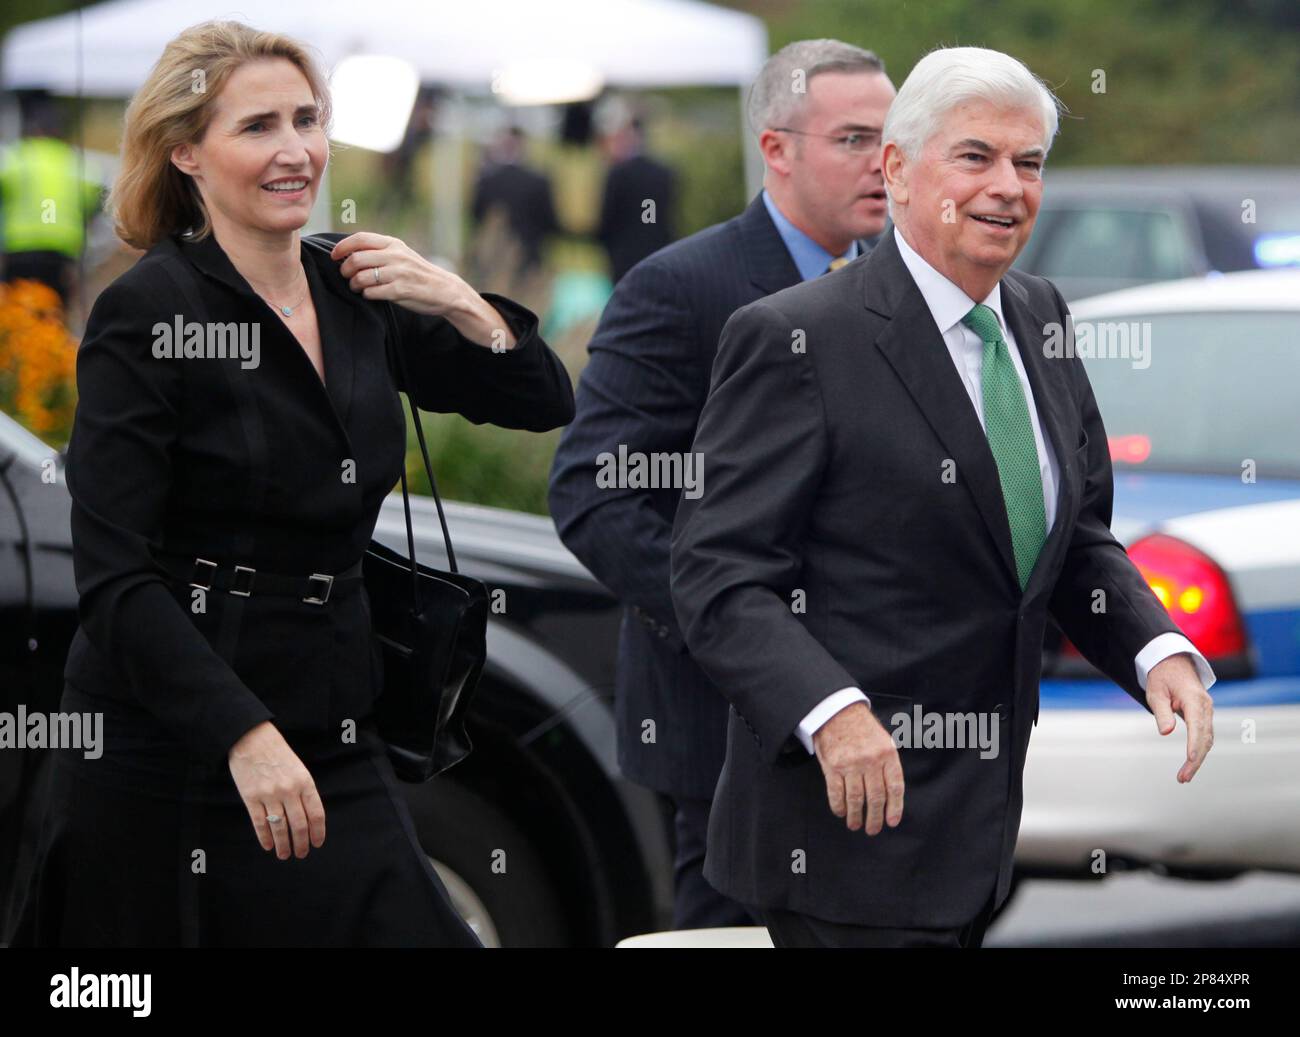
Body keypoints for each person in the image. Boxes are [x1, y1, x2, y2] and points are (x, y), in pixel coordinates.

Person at [9, 19, 574, 947]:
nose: (296, 151)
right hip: (169, 743)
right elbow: (114, 577)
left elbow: (542, 400)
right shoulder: (147, 312)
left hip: (329, 729)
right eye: (258, 126)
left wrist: (461, 301)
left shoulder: (358, 288)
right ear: (186, 150)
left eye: (308, 120)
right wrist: (242, 733)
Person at [669, 46, 1217, 948]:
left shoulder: (1038, 314)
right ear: (897, 168)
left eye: (1029, 162)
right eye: (975, 157)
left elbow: (1072, 537)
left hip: (980, 830)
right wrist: (831, 712)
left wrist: (1154, 646)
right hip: (843, 834)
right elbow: (718, 577)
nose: (1008, 186)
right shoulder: (797, 338)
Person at [548, 39, 895, 930]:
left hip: (886, 723)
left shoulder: (903, 287)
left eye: (895, 138)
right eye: (854, 138)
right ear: (776, 149)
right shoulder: (680, 286)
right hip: (727, 732)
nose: (883, 163)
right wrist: (750, 636)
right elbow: (595, 496)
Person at [0, 91, 103, 307]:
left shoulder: (17, 157)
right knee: (54, 311)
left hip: (21, 248)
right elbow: (94, 200)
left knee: (17, 310)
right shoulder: (76, 162)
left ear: (31, 130)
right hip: (61, 251)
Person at [594, 110, 677, 283]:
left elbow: (608, 218)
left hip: (624, 256)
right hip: (658, 250)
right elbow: (656, 215)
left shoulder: (618, 173)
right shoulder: (663, 172)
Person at [470, 126, 560, 277]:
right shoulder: (538, 181)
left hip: (492, 256)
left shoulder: (487, 180)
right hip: (529, 255)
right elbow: (550, 222)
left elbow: (476, 216)